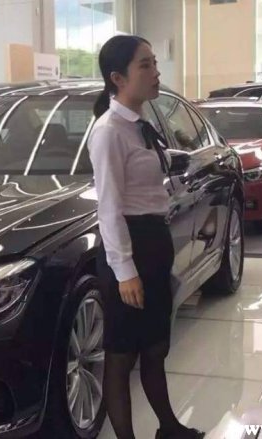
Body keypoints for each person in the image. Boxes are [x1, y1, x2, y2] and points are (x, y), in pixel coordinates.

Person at [88, 35, 204, 439]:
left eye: (155, 63)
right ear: (118, 78)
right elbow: (109, 208)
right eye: (145, 65)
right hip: (129, 247)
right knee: (121, 356)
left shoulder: (139, 125)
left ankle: (168, 427)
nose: (156, 72)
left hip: (153, 242)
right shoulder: (108, 131)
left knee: (155, 346)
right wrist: (125, 271)